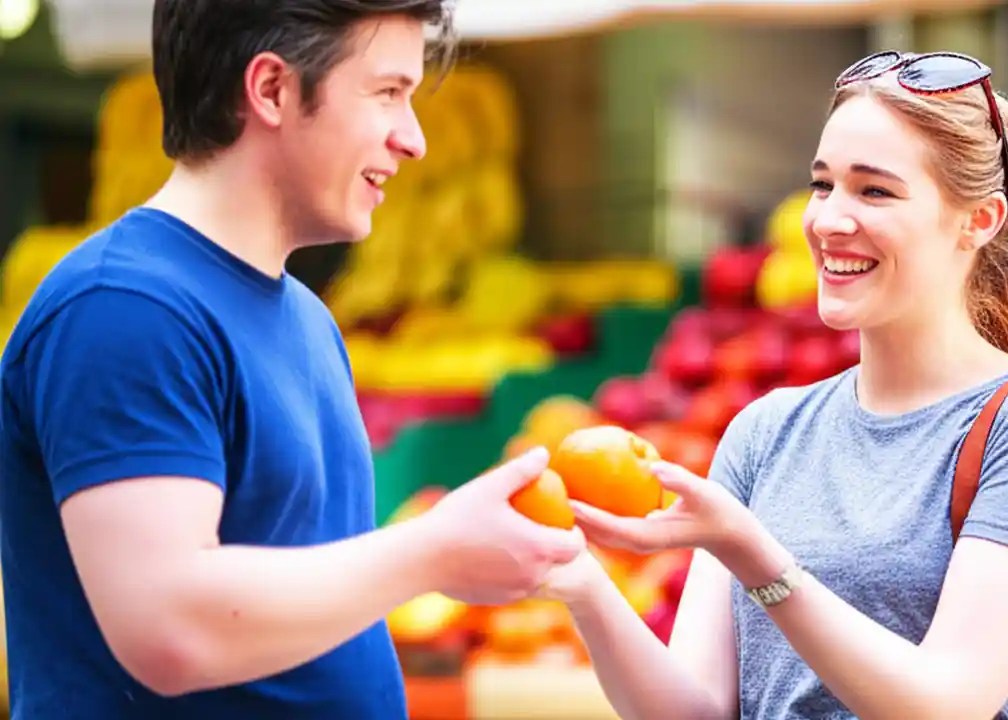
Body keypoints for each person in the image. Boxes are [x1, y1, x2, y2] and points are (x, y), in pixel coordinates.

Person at [0, 1, 584, 718]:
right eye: (388, 93)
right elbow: (171, 628)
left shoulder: (306, 320)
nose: (414, 139)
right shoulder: (123, 308)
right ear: (272, 89)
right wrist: (433, 553)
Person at [539, 50, 1008, 720]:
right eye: (824, 185)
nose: (828, 221)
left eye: (874, 191)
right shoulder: (766, 432)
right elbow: (696, 712)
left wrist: (755, 558)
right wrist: (581, 584)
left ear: (979, 220)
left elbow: (945, 704)